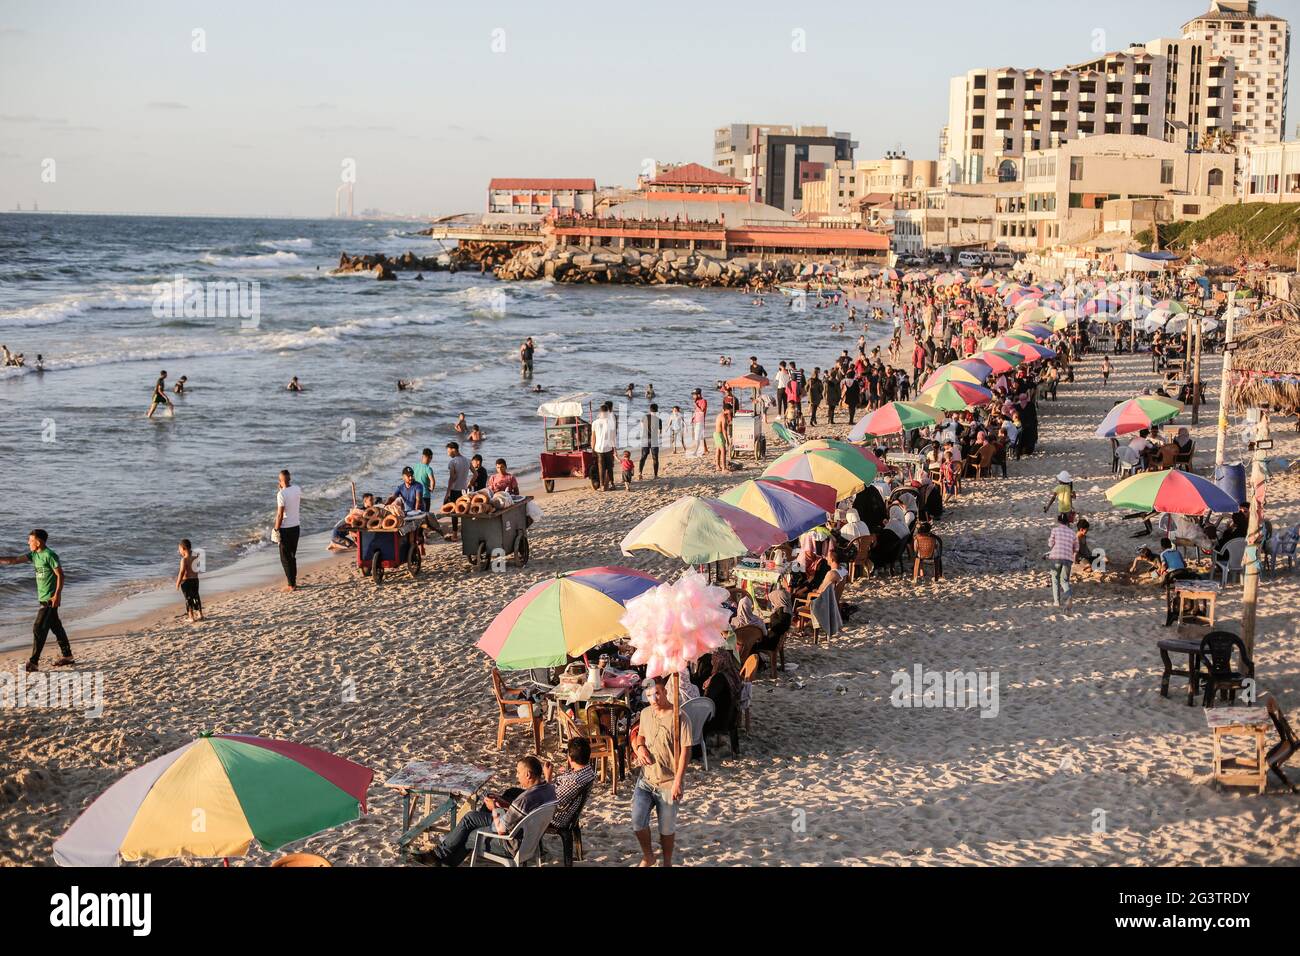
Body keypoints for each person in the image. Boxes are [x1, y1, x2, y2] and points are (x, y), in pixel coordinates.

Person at [416, 756, 556, 867]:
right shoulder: (549, 790)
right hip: (529, 840)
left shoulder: (525, 799)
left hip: (511, 845)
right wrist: (504, 804)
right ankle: (447, 860)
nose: (517, 776)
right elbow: (522, 812)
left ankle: (439, 854)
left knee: (470, 821)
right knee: (473, 820)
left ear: (528, 775)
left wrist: (494, 808)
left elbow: (501, 829)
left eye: (518, 772)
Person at [631, 676, 693, 867]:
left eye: (657, 693)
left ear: (665, 692)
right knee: (637, 820)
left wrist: (678, 781)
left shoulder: (680, 717)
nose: (654, 698)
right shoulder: (646, 713)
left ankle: (666, 862)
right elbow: (639, 737)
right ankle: (649, 856)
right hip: (646, 779)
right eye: (650, 695)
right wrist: (639, 748)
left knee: (666, 829)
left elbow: (686, 752)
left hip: (668, 783)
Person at [0, 530, 75, 673]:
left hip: (50, 599)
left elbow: (61, 575)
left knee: (38, 628)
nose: (28, 542)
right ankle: (68, 656)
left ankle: (33, 663)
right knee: (56, 627)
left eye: (30, 540)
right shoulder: (34, 555)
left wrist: (57, 595)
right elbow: (14, 560)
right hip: (43, 598)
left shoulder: (49, 555)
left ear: (38, 542)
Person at [544, 738, 597, 835]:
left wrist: (548, 777)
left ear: (570, 757)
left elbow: (549, 801)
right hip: (570, 812)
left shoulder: (573, 781)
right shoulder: (588, 770)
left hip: (555, 818)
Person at [274, 469, 302, 591]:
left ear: (280, 481)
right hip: (296, 526)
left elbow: (280, 515)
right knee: (292, 556)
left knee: (285, 558)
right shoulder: (297, 489)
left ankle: (291, 584)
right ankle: (293, 582)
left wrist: (276, 529)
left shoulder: (281, 494)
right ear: (290, 479)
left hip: (285, 528)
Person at [1045, 512, 1078, 607]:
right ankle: (1069, 597)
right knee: (1064, 581)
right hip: (1068, 558)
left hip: (1056, 557)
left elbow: (1050, 544)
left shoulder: (1055, 530)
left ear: (1058, 521)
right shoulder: (1072, 533)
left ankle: (1057, 602)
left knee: (1055, 579)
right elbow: (1076, 548)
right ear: (1067, 522)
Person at [444, 442, 471, 539]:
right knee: (464, 511)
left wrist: (447, 493)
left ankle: (455, 535)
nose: (448, 453)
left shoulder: (453, 462)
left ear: (453, 449)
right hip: (464, 490)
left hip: (455, 490)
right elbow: (475, 474)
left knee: (454, 513)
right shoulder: (467, 460)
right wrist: (470, 484)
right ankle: (466, 533)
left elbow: (452, 478)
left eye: (448, 451)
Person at [175, 538, 203, 622]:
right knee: (196, 597)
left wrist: (178, 583)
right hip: (195, 580)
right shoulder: (195, 556)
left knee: (188, 599)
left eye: (179, 549)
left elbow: (182, 572)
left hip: (186, 582)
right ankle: (200, 614)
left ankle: (191, 617)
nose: (179, 551)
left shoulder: (184, 560)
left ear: (183, 549)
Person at [593, 402, 617, 491]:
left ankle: (602, 486)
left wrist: (593, 449)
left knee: (601, 467)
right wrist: (615, 449)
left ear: (600, 412)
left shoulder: (595, 423)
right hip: (608, 447)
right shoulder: (611, 423)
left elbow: (593, 438)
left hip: (598, 448)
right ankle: (612, 484)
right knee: (609, 467)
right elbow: (613, 437)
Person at [638, 404, 661, 479]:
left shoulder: (644, 417)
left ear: (649, 409)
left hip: (645, 439)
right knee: (655, 458)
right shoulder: (658, 419)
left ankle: (640, 473)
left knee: (643, 457)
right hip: (654, 440)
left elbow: (641, 427)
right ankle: (655, 475)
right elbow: (659, 432)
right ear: (657, 410)